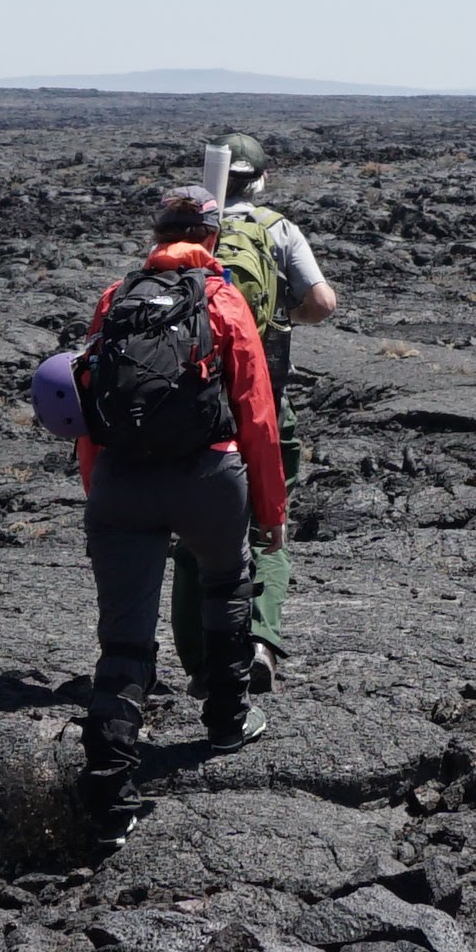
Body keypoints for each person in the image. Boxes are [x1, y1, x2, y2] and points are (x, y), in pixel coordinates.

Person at [75, 190, 287, 772]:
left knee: (124, 638)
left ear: (158, 235)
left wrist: (102, 490)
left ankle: (110, 784)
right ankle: (226, 720)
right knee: (226, 590)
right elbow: (258, 416)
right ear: (213, 239)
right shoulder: (224, 300)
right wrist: (271, 510)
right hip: (208, 478)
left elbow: (89, 402)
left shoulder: (115, 299)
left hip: (123, 480)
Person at [205, 135, 342, 684]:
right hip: (261, 394)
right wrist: (282, 310)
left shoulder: (192, 227)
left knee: (200, 529)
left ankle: (202, 656)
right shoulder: (276, 229)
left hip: (194, 399)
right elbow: (323, 304)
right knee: (268, 525)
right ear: (260, 179)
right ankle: (262, 641)